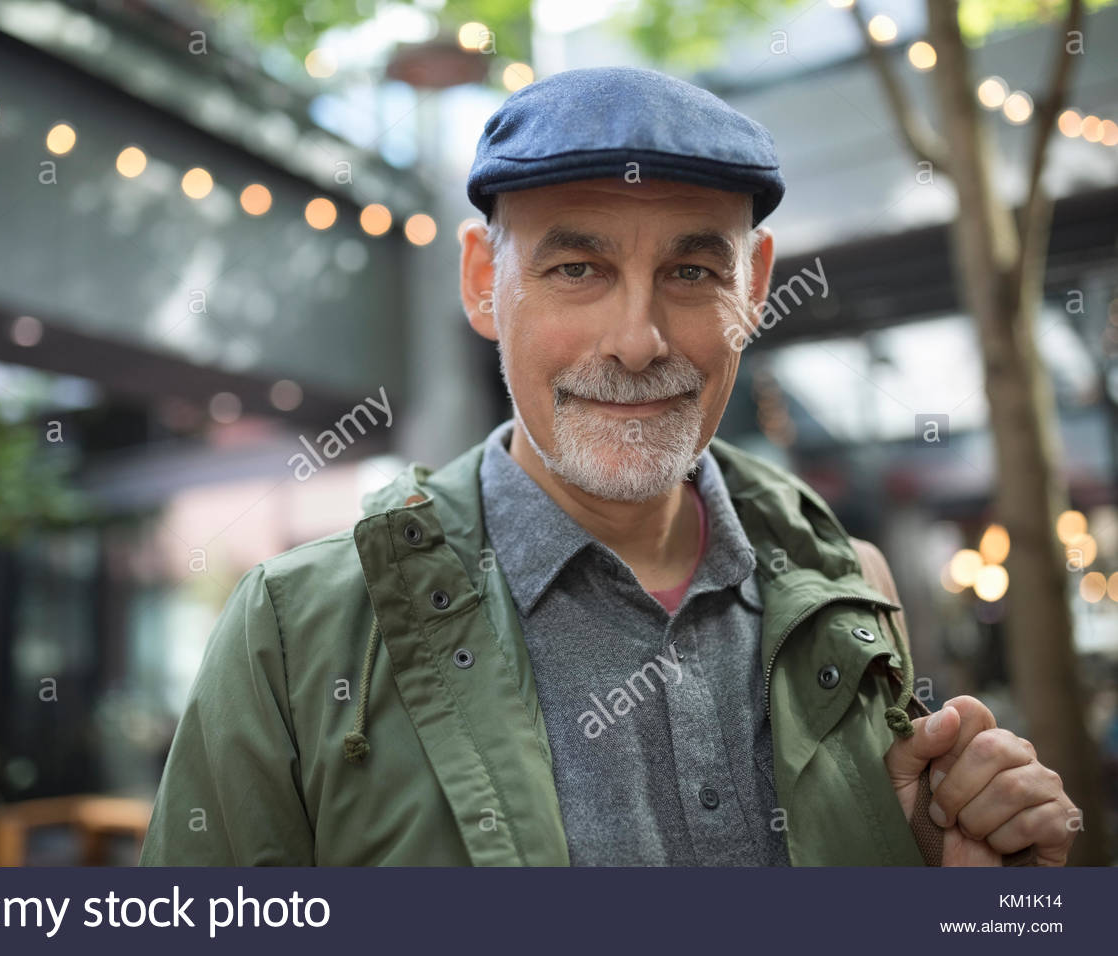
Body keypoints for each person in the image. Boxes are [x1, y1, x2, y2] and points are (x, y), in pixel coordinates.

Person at [139, 66, 1077, 866]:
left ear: (754, 290)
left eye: (693, 272)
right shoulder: (291, 638)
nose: (638, 342)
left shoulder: (851, 591)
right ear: (481, 282)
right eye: (577, 270)